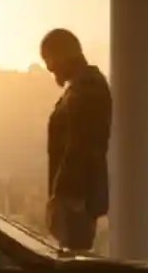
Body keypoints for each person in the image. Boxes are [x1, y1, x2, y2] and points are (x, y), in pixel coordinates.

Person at [40, 28, 111, 252]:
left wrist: (64, 195)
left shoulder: (87, 88)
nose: (49, 67)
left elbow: (80, 146)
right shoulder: (83, 87)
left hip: (75, 200)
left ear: (63, 54)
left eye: (49, 59)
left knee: (73, 263)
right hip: (75, 199)